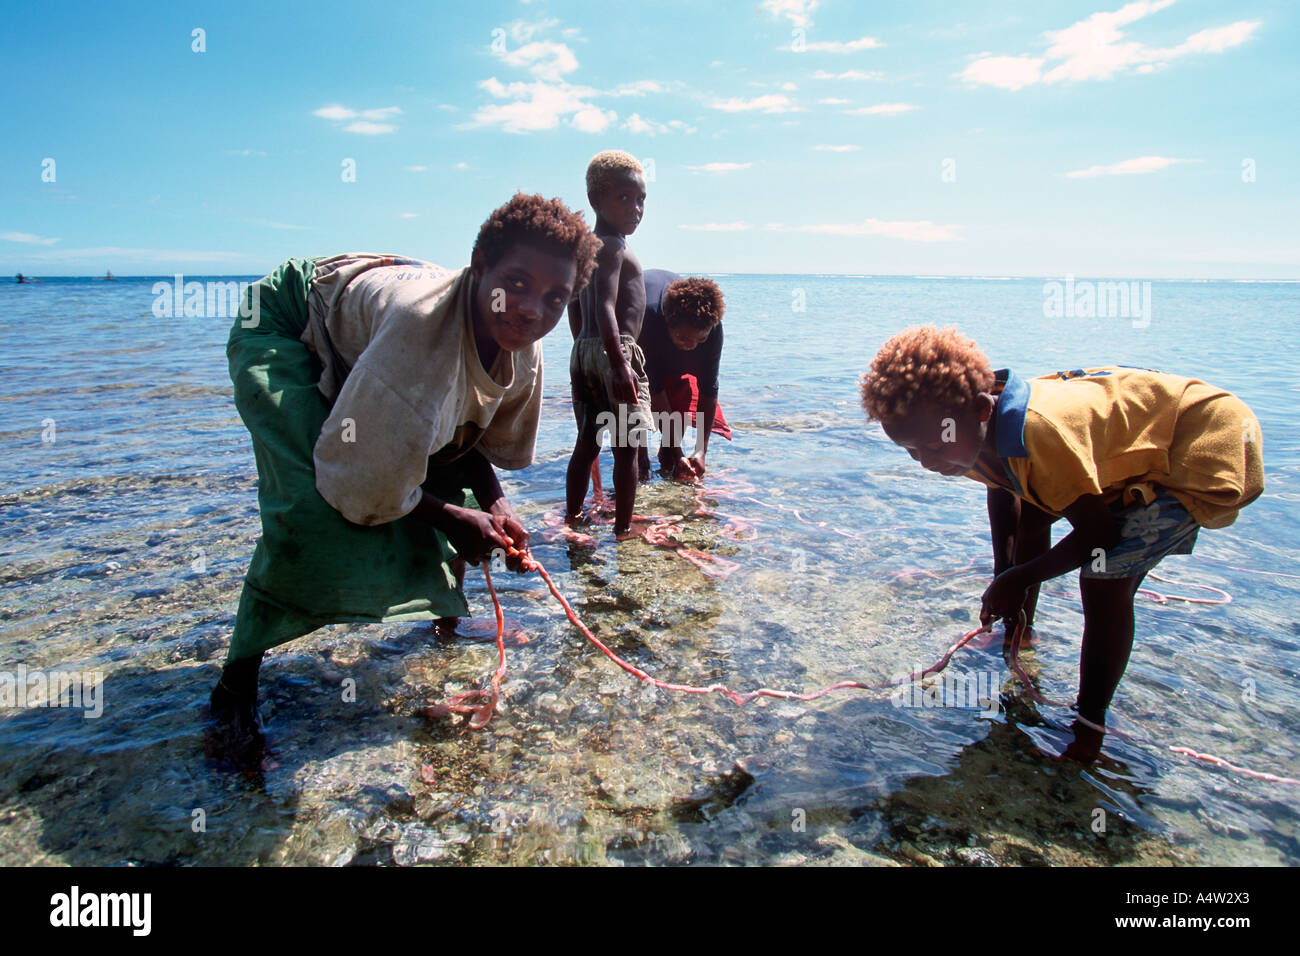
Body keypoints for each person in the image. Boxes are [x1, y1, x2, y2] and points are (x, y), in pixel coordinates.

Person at [208, 193, 600, 766]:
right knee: (310, 509)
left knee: (453, 485)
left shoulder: (522, 345)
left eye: (555, 297)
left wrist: (494, 502)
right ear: (478, 264)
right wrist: (448, 517)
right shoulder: (421, 337)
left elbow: (462, 440)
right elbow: (361, 478)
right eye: (514, 282)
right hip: (287, 321)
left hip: (368, 307)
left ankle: (447, 618)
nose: (531, 309)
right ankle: (233, 689)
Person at [860, 325, 1264, 759]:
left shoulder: (1038, 433)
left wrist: (1019, 577)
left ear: (981, 409)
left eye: (931, 447)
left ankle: (1089, 725)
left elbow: (1098, 535)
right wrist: (1007, 580)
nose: (926, 462)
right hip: (1134, 436)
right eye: (910, 452)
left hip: (1201, 445)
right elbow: (1008, 496)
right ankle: (1021, 634)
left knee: (1103, 576)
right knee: (1038, 509)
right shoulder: (963, 436)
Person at [565, 150, 651, 536]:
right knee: (627, 447)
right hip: (616, 350)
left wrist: (584, 353)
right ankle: (623, 528)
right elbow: (606, 306)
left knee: (587, 441)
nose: (635, 208)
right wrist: (618, 365)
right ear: (596, 201)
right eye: (624, 198)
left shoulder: (587, 249)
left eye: (641, 199)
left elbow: (574, 305)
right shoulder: (614, 247)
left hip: (584, 351)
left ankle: (573, 517)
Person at [637, 270, 730, 482]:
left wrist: (700, 450)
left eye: (700, 340)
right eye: (683, 338)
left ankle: (667, 453)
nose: (690, 346)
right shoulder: (650, 318)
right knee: (636, 402)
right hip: (642, 342)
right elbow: (655, 391)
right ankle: (642, 461)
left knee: (686, 389)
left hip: (667, 339)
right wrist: (680, 453)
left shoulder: (713, 329)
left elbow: (709, 390)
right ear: (669, 322)